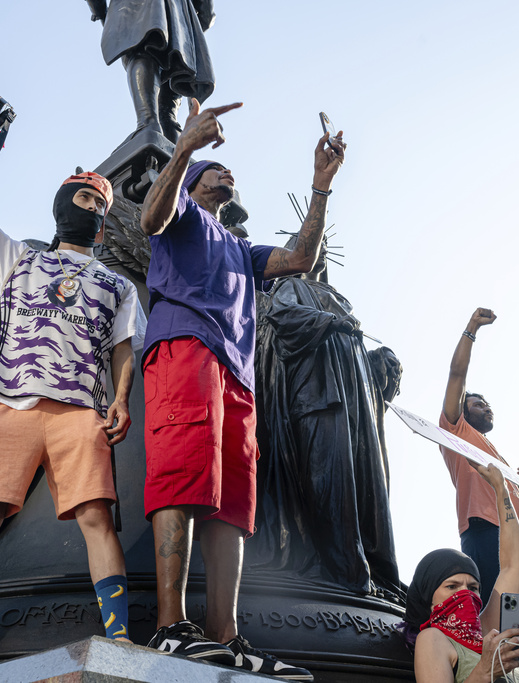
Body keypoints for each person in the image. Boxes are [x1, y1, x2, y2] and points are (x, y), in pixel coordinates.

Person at [0, 99, 146, 683]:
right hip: (8, 404)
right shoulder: (19, 258)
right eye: (83, 197)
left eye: (99, 203)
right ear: (61, 205)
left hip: (79, 410)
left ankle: (120, 639)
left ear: (104, 222)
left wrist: (121, 397)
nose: (91, 207)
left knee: (96, 517)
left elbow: (124, 347)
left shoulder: (117, 285)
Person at [137, 96, 345, 680]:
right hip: (185, 348)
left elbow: (301, 257)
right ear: (195, 181)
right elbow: (149, 219)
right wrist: (185, 146)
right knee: (181, 476)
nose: (228, 173)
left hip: (236, 372)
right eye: (217, 170)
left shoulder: (240, 249)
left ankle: (224, 636)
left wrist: (321, 185)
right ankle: (171, 627)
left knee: (232, 504)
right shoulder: (180, 212)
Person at [250, 244, 402, 599]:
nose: (318, 252)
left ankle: (362, 567)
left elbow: (351, 354)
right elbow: (283, 318)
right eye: (309, 245)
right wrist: (331, 323)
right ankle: (336, 567)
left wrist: (377, 363)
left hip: (350, 407)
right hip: (313, 396)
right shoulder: (291, 286)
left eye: (321, 247)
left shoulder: (337, 298)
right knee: (326, 481)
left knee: (357, 485)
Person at [440, 307, 519, 648]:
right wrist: (472, 328)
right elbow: (457, 374)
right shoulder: (456, 431)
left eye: (488, 403)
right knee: (501, 627)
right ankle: (496, 668)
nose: (487, 407)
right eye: (478, 403)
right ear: (462, 410)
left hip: (514, 544)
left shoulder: (498, 458)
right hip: (486, 535)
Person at [402, 463, 519, 683]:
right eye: (452, 586)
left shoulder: (487, 631)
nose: (465, 593)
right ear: (428, 597)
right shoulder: (432, 639)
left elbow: (514, 566)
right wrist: (485, 671)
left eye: (473, 588)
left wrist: (501, 490)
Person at [88, 0, 216, 142]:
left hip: (139, 6)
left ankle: (147, 123)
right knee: (168, 109)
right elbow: (206, 12)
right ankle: (172, 143)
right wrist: (185, 27)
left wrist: (102, 15)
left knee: (141, 50)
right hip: (179, 15)